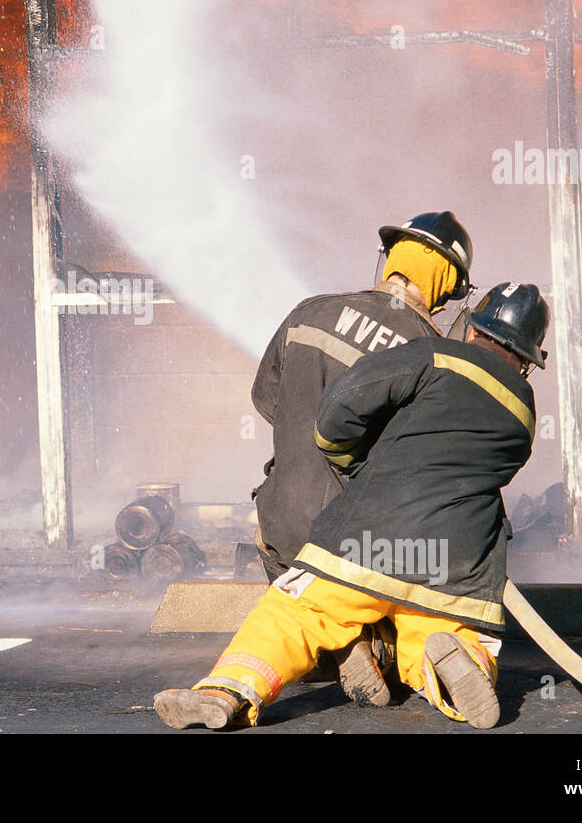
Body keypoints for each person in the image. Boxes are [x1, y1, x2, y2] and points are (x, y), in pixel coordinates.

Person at [157, 282, 550, 730]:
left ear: (473, 328)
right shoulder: (525, 409)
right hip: (455, 563)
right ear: (527, 357)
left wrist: (347, 457)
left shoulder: (432, 354)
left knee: (296, 617)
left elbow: (343, 403)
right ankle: (459, 665)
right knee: (438, 631)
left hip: (368, 537)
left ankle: (228, 690)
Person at [249, 212, 473, 700]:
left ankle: (340, 641)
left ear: (390, 260)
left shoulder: (308, 311)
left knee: (272, 512)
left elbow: (268, 402)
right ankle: (369, 640)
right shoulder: (430, 353)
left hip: (282, 526)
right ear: (445, 284)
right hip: (355, 545)